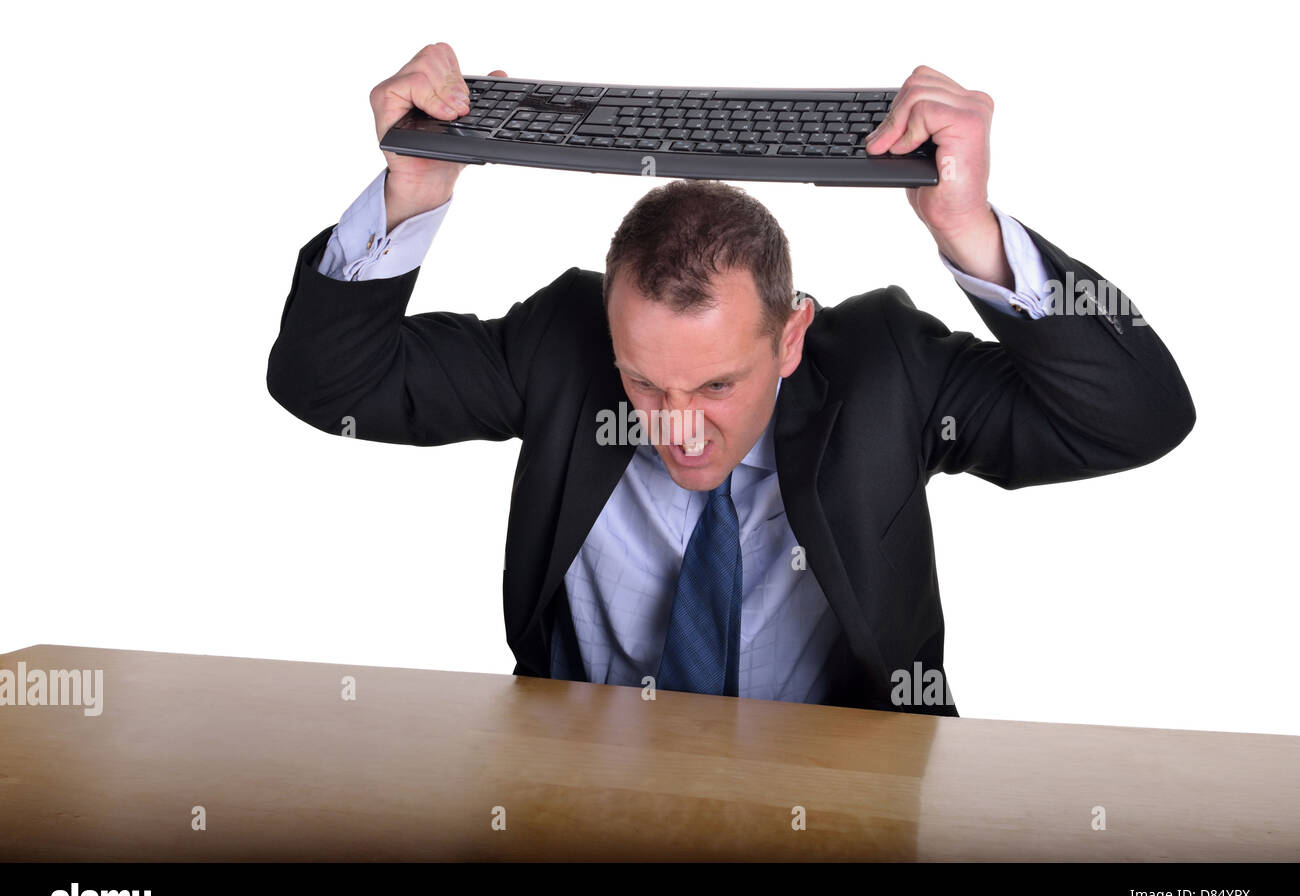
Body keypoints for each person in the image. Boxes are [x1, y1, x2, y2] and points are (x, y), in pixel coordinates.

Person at [267, 43, 1195, 715]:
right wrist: (414, 190)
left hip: (843, 805)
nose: (677, 428)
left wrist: (970, 230)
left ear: (792, 338)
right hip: (576, 796)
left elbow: (1137, 415)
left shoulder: (885, 372)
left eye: (716, 387)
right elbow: (326, 382)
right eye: (645, 384)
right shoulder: (563, 346)